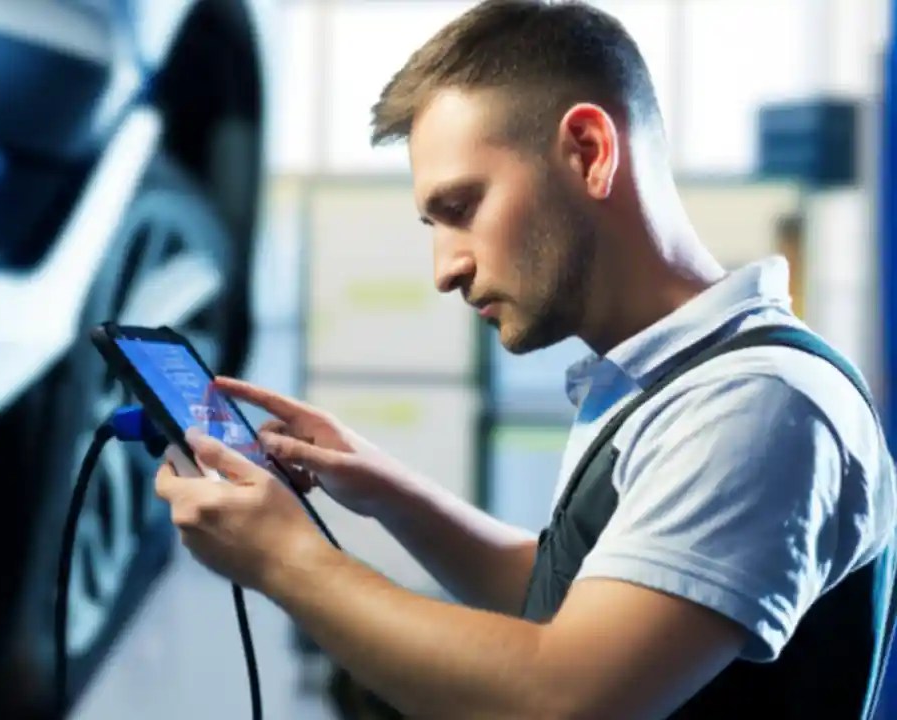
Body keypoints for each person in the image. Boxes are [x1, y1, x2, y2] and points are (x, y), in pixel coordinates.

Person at [154, 1, 897, 717]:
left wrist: (285, 560)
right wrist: (387, 490)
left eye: (462, 208)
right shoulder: (668, 386)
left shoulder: (758, 405)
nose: (445, 268)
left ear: (589, 152)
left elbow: (558, 699)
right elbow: (578, 597)